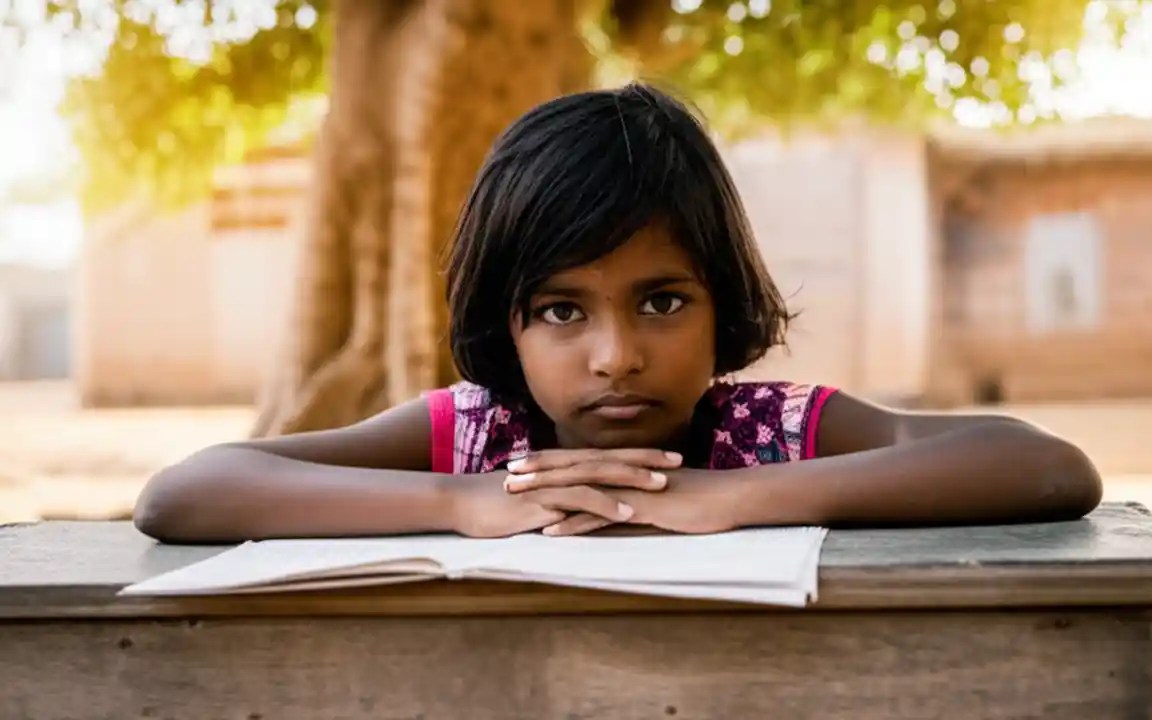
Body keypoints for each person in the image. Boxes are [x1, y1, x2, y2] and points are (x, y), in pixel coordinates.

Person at [133, 83, 1102, 543]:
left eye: (662, 301)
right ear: (501, 324)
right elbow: (185, 493)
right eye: (560, 311)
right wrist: (463, 503)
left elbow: (1047, 467)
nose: (614, 356)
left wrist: (729, 498)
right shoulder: (475, 441)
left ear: (721, 296)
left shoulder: (767, 434)